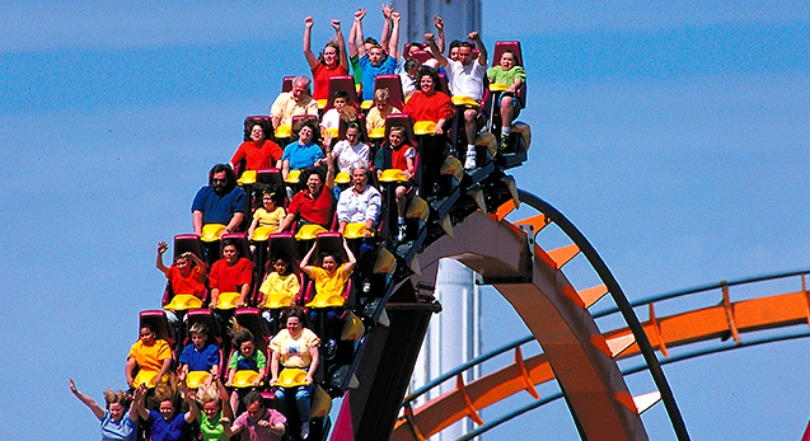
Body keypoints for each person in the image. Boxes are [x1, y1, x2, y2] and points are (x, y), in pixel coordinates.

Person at [426, 30, 488, 170]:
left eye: (467, 54)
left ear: (472, 54)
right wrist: (431, 42)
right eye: (461, 54)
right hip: (455, 107)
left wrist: (477, 40)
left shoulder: (477, 66)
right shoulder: (452, 66)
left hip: (473, 108)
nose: (463, 57)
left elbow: (484, 54)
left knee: (468, 114)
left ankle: (470, 152)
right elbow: (438, 56)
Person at [300, 238, 356, 360]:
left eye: (331, 263)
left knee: (331, 317)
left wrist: (345, 246)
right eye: (326, 263)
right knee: (313, 316)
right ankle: (316, 341)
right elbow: (302, 265)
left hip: (334, 306)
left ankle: (332, 342)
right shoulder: (319, 272)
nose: (328, 265)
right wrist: (313, 248)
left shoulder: (340, 272)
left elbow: (352, 262)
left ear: (336, 264)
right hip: (320, 305)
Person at [269, 308, 320, 440]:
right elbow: (275, 358)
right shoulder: (282, 335)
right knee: (278, 395)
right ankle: (284, 422)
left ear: (301, 324)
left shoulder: (308, 335)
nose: (292, 327)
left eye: (295, 324)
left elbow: (315, 357)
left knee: (301, 396)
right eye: (290, 324)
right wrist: (274, 376)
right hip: (286, 371)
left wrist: (310, 375)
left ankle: (305, 422)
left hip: (302, 370)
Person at [402, 66, 454, 193]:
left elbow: (446, 112)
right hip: (416, 134)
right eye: (423, 82)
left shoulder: (441, 97)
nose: (426, 84)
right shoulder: (414, 98)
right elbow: (407, 114)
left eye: (428, 82)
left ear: (434, 83)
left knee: (431, 148)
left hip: (433, 133)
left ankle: (434, 181)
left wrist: (439, 126)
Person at [279, 148, 336, 232]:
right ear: (307, 182)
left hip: (321, 229)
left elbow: (330, 170)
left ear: (321, 183)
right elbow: (290, 215)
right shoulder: (299, 196)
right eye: (311, 180)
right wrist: (279, 230)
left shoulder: (326, 192)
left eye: (316, 180)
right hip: (304, 227)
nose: (313, 182)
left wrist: (328, 149)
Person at [374, 126, 416, 241]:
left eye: (398, 137)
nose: (395, 139)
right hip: (387, 182)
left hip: (400, 181)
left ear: (403, 139)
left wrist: (408, 171)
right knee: (378, 191)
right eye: (392, 136)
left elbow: (411, 167)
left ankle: (401, 221)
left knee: (399, 191)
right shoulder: (383, 150)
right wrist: (379, 172)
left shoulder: (406, 149)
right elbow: (378, 167)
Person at [352, 7, 401, 102]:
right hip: (368, 104)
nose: (374, 56)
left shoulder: (388, 66)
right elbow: (360, 44)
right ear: (369, 56)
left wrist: (396, 23)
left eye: (378, 54)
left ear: (383, 56)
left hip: (385, 103)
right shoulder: (365, 65)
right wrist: (358, 22)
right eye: (372, 54)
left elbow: (393, 45)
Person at [69, 378, 142, 441]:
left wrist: (136, 399)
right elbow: (92, 404)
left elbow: (133, 409)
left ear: (123, 408)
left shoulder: (128, 419)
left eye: (118, 409)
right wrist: (76, 392)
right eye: (112, 410)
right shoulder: (106, 418)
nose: (115, 413)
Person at [192, 164, 248, 236]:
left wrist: (228, 231)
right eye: (215, 181)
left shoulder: (237, 193)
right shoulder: (204, 192)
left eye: (222, 181)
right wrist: (198, 232)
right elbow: (197, 213)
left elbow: (239, 215)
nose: (218, 183)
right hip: (205, 234)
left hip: (227, 234)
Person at [225, 318, 267, 415]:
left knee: (252, 395)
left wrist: (258, 379)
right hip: (239, 384)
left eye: (249, 348)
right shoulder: (236, 355)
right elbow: (233, 369)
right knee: (235, 394)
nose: (247, 350)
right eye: (244, 348)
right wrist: (230, 380)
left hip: (253, 383)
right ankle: (232, 417)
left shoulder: (258, 354)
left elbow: (262, 371)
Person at [486, 49, 526, 149]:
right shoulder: (495, 70)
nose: (506, 62)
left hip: (509, 99)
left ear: (515, 62)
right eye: (504, 59)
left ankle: (505, 135)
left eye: (509, 60)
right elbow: (488, 80)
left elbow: (518, 80)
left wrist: (513, 86)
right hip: (493, 98)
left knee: (506, 99)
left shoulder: (516, 70)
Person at [303, 16, 349, 101]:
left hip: (336, 106)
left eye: (331, 54)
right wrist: (308, 29)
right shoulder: (318, 70)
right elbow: (306, 51)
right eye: (326, 54)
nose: (328, 56)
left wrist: (338, 31)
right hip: (319, 107)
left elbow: (343, 50)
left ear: (337, 57)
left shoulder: (341, 69)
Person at [135, 381, 200, 441]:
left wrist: (192, 402)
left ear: (174, 409)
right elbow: (141, 410)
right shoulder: (156, 417)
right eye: (163, 408)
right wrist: (142, 396)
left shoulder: (178, 419)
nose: (165, 411)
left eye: (168, 408)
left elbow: (192, 415)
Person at [336, 161, 381, 237]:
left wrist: (368, 229)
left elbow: (372, 213)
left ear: (366, 178)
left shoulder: (373, 193)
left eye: (361, 175)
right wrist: (341, 230)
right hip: (348, 231)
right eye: (355, 176)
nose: (358, 178)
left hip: (365, 231)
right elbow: (343, 213)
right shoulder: (344, 194)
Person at [221, 390, 286, 441]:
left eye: (255, 412)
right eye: (250, 412)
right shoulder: (244, 417)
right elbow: (230, 433)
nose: (252, 415)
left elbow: (282, 430)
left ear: (262, 408)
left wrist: (271, 428)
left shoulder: (274, 415)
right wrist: (226, 427)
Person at [209, 239, 254, 309]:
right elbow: (215, 287)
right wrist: (214, 301)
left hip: (237, 302)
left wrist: (241, 300)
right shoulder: (216, 265)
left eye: (232, 251)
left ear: (238, 252)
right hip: (222, 302)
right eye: (226, 251)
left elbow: (246, 284)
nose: (229, 254)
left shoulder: (244, 263)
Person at [125, 324, 172, 389]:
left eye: (147, 334)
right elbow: (131, 361)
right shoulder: (137, 346)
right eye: (142, 336)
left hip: (158, 372)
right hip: (142, 374)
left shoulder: (162, 344)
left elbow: (167, 361)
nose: (145, 338)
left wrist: (159, 376)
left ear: (153, 334)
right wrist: (129, 377)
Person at [195, 374, 233, 441]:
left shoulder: (223, 417)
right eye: (207, 409)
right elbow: (191, 403)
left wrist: (217, 380)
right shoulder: (202, 418)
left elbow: (226, 400)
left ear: (218, 407)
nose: (209, 412)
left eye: (212, 409)